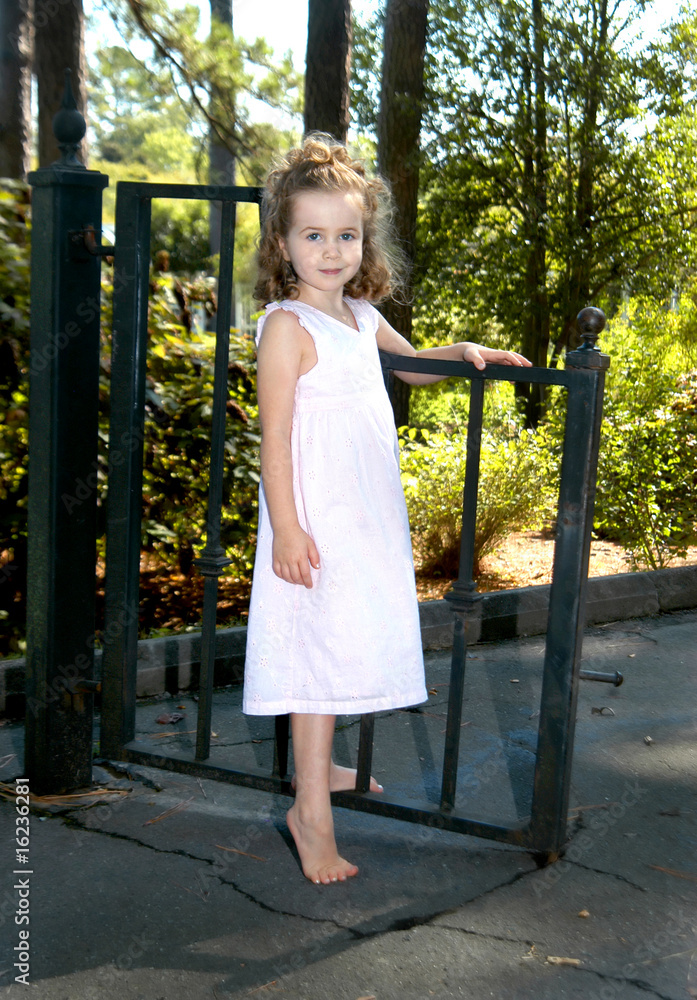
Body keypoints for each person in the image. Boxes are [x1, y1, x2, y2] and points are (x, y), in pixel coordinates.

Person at [242, 135, 531, 885]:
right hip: (311, 517)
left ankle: (323, 767)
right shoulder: (286, 327)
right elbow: (272, 437)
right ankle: (310, 813)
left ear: (363, 241)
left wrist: (463, 350)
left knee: (340, 639)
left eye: (346, 235)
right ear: (282, 241)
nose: (332, 250)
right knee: (312, 656)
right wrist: (289, 527)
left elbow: (410, 369)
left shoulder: (361, 316)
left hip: (364, 514)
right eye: (313, 235)